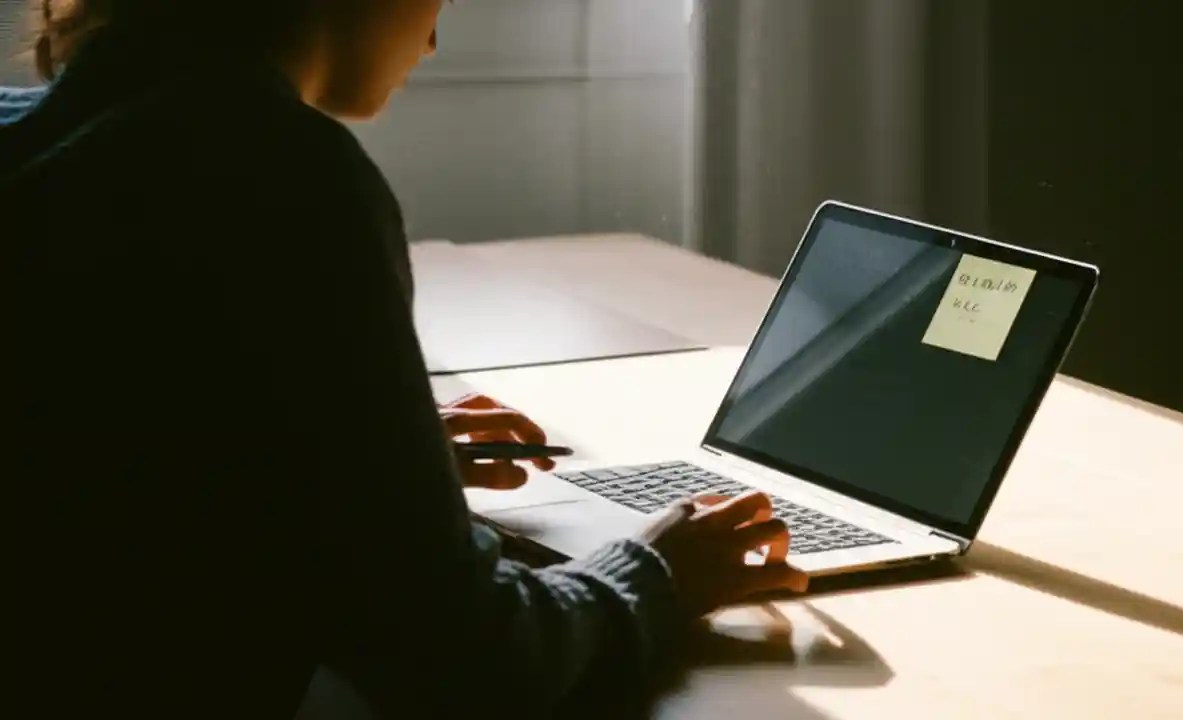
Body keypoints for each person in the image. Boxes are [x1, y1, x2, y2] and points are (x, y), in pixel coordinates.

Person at [2, 2, 809, 717]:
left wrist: (352, 462)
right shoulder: (278, 173)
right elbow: (469, 664)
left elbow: (117, 462)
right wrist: (654, 574)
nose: (432, 37)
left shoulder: (41, 140)